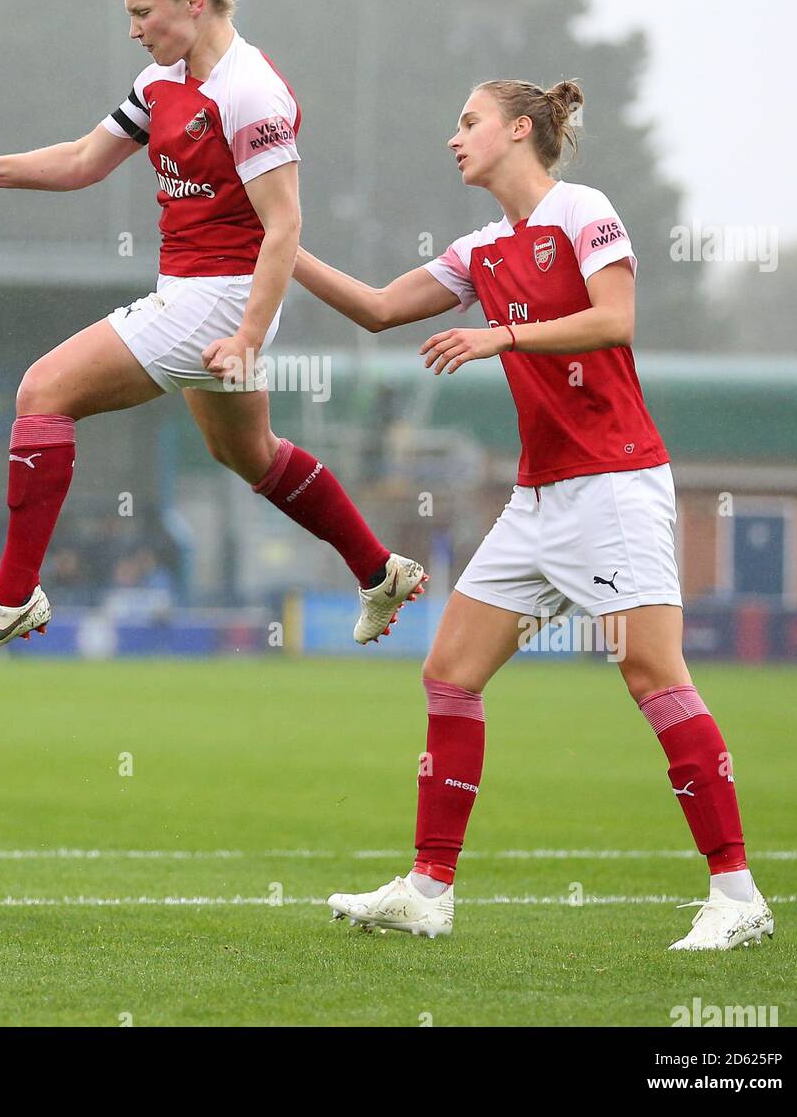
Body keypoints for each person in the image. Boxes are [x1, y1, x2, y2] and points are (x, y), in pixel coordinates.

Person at [292, 78, 772, 952]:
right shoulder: (479, 250)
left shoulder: (583, 209)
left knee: (653, 678)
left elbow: (615, 319)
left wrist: (497, 336)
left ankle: (736, 894)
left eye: (466, 121)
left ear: (520, 131)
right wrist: (280, 244)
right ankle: (429, 890)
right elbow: (373, 310)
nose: (453, 138)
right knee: (448, 671)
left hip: (615, 485)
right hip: (538, 499)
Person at [0, 0, 426, 668]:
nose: (134, 28)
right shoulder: (160, 80)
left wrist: (247, 336)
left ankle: (13, 596)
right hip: (201, 298)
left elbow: (284, 226)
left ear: (195, 2)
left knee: (40, 392)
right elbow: (87, 159)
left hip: (219, 299)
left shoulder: (250, 92)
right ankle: (378, 570)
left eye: (143, 13)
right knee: (249, 454)